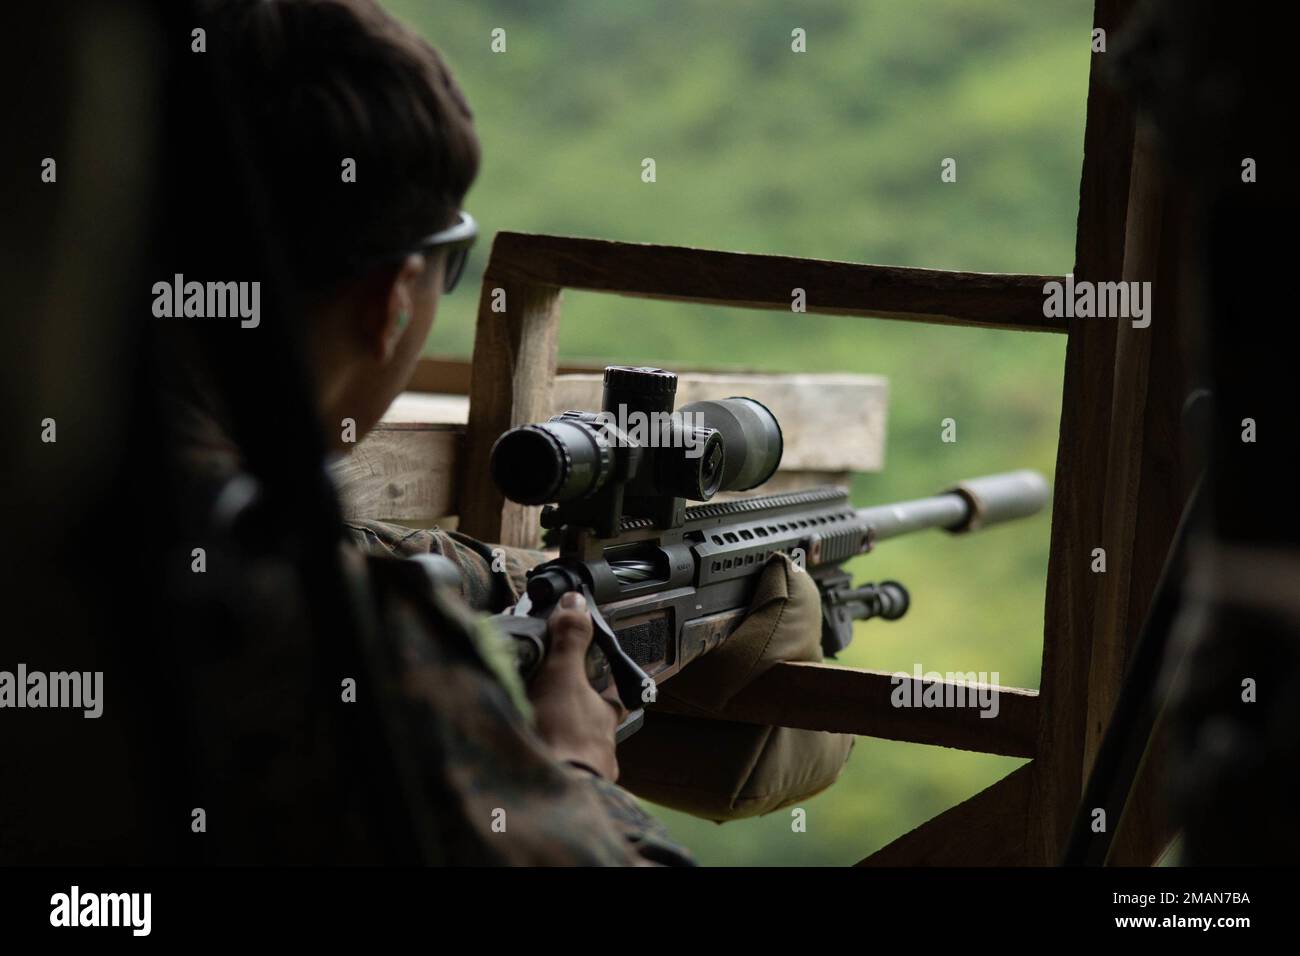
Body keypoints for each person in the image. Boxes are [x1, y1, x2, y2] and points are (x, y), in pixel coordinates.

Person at [180, 0, 851, 863]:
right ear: (392, 300)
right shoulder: (333, 638)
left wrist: (531, 582)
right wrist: (576, 770)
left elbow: (343, 544)